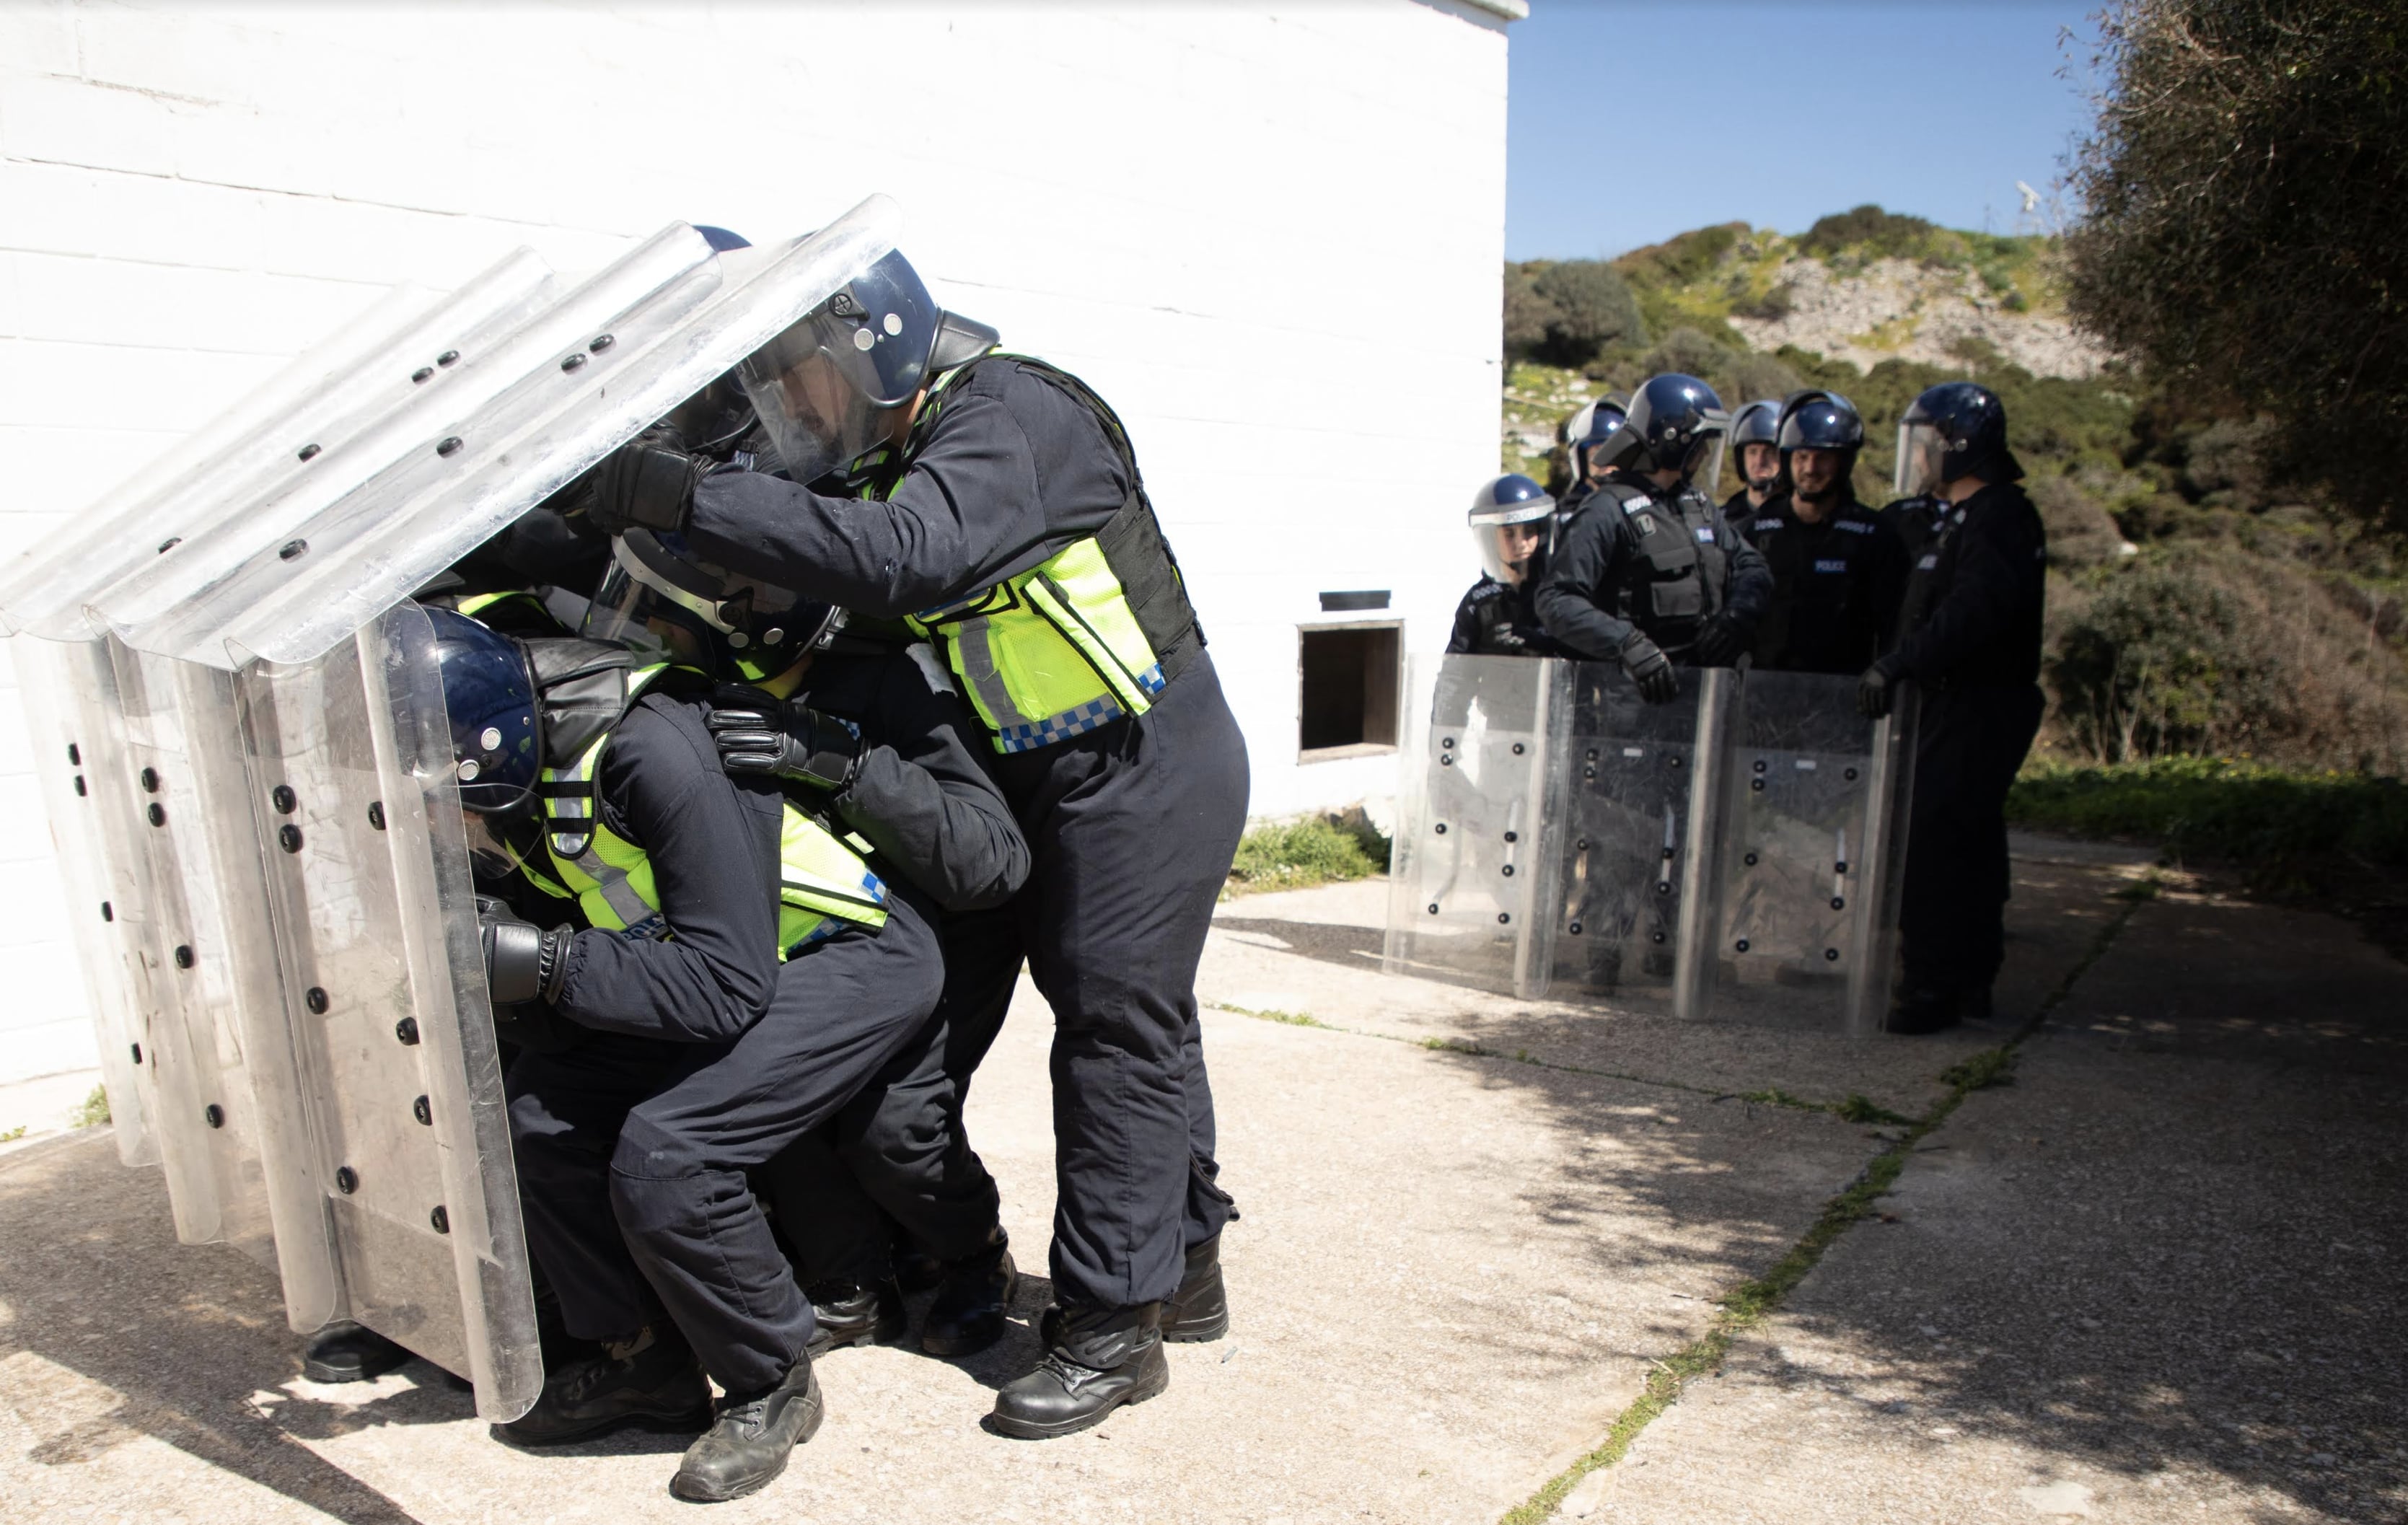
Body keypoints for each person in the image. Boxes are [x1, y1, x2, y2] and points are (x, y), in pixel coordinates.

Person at [584, 247, 1248, 1440]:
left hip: (1141, 759)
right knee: (1021, 1041)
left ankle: (1113, 1325)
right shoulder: (891, 452)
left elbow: (906, 556)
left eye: (793, 378)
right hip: (1023, 778)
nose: (786, 406)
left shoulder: (1016, 413)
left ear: (868, 345)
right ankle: (1177, 1261)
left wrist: (677, 492)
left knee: (1114, 1024)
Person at [434, 583, 946, 1503]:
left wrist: (544, 963)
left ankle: (772, 1378)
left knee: (672, 1154)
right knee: (541, 1117)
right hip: (709, 963)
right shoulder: (521, 745)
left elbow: (723, 985)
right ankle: (647, 1363)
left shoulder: (652, 748)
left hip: (845, 953)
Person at [1855, 382, 2047, 1035]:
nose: (1919, 458)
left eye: (1928, 444)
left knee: (1936, 842)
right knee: (1964, 838)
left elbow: (1971, 612)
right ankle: (1967, 977)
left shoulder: (1997, 515)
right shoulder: (1971, 516)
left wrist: (1899, 663)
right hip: (1958, 702)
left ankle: (1933, 986)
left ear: (1959, 446)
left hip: (1976, 703)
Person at [1532, 373, 1772, 701]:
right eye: (1700, 443)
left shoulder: (1698, 506)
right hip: (1635, 701)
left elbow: (1752, 566)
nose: (1705, 454)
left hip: (1705, 696)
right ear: (1673, 442)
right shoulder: (1607, 510)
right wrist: (1627, 645)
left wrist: (1736, 617)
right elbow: (1556, 600)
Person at [1743, 390, 1909, 674]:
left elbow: (1894, 627)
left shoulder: (1875, 536)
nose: (1810, 468)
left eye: (1823, 458)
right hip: (1764, 689)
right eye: (1802, 457)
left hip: (1842, 691)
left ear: (1843, 462)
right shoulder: (1754, 531)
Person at [1447, 474, 1561, 658]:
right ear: (1491, 539)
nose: (1521, 543)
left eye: (1529, 531)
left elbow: (1583, 654)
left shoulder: (1558, 593)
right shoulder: (1478, 600)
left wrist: (1543, 643)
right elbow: (1454, 665)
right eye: (1509, 534)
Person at [1557, 397, 1627, 519]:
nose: (1607, 461)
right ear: (1581, 461)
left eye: (1615, 452)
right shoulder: (1567, 517)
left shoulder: (1644, 506)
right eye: (1597, 453)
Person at [1722, 397, 1785, 524]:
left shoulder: (1802, 516)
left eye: (1769, 452)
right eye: (1752, 452)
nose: (1760, 461)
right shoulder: (1723, 520)